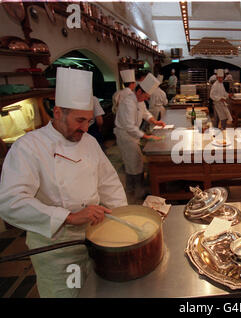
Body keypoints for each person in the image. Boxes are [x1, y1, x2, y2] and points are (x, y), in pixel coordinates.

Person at [0, 67, 128, 298]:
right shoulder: (28, 147)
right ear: (57, 112)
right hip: (56, 247)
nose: (85, 127)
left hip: (95, 237)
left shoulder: (88, 141)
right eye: (79, 120)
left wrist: (121, 221)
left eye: (88, 120)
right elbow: (11, 202)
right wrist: (68, 217)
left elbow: (108, 183)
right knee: (66, 293)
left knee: (97, 290)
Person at [114, 73, 165, 201]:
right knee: (133, 163)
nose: (146, 99)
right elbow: (130, 127)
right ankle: (135, 192)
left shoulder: (139, 100)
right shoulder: (128, 102)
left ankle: (135, 189)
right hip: (125, 136)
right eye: (146, 96)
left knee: (135, 163)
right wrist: (147, 137)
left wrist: (154, 121)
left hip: (132, 136)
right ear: (139, 91)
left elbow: (145, 113)